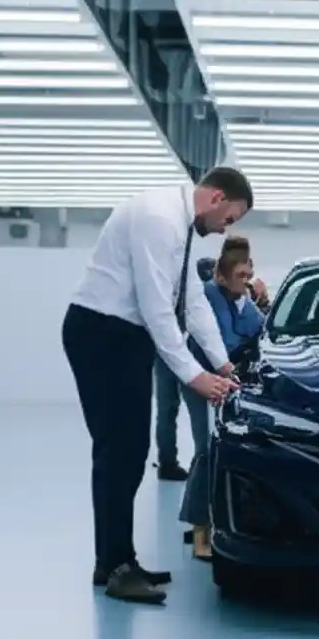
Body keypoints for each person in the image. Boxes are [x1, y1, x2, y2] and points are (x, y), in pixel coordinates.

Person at [62, 167, 253, 604]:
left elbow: (190, 300)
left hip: (125, 336)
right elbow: (156, 309)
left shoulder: (180, 226)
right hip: (102, 332)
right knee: (118, 451)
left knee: (128, 452)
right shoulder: (158, 219)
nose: (228, 229)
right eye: (231, 218)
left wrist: (222, 363)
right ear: (216, 198)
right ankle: (116, 567)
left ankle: (115, 560)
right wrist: (194, 376)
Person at [179, 236, 266, 561]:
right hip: (199, 379)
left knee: (217, 451)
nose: (245, 282)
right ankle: (201, 533)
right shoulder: (211, 295)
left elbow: (263, 331)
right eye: (240, 277)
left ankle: (208, 521)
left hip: (225, 381)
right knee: (205, 450)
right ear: (222, 276)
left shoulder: (241, 300)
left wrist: (259, 303)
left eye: (249, 275)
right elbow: (228, 340)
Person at [155, 257, 221, 482]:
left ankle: (168, 462)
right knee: (198, 413)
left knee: (166, 411)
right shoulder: (206, 297)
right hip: (187, 355)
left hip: (163, 353)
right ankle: (201, 465)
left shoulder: (167, 288)